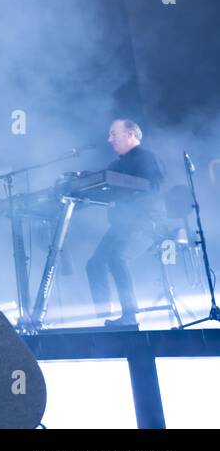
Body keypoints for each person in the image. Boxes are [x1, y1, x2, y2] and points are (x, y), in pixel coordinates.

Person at [86, 118, 167, 328]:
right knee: (94, 264)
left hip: (147, 223)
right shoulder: (114, 165)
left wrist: (120, 189)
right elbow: (106, 189)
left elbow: (154, 187)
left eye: (114, 133)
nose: (109, 139)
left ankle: (129, 316)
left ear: (131, 134)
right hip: (122, 226)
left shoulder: (148, 158)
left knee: (118, 258)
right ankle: (101, 315)